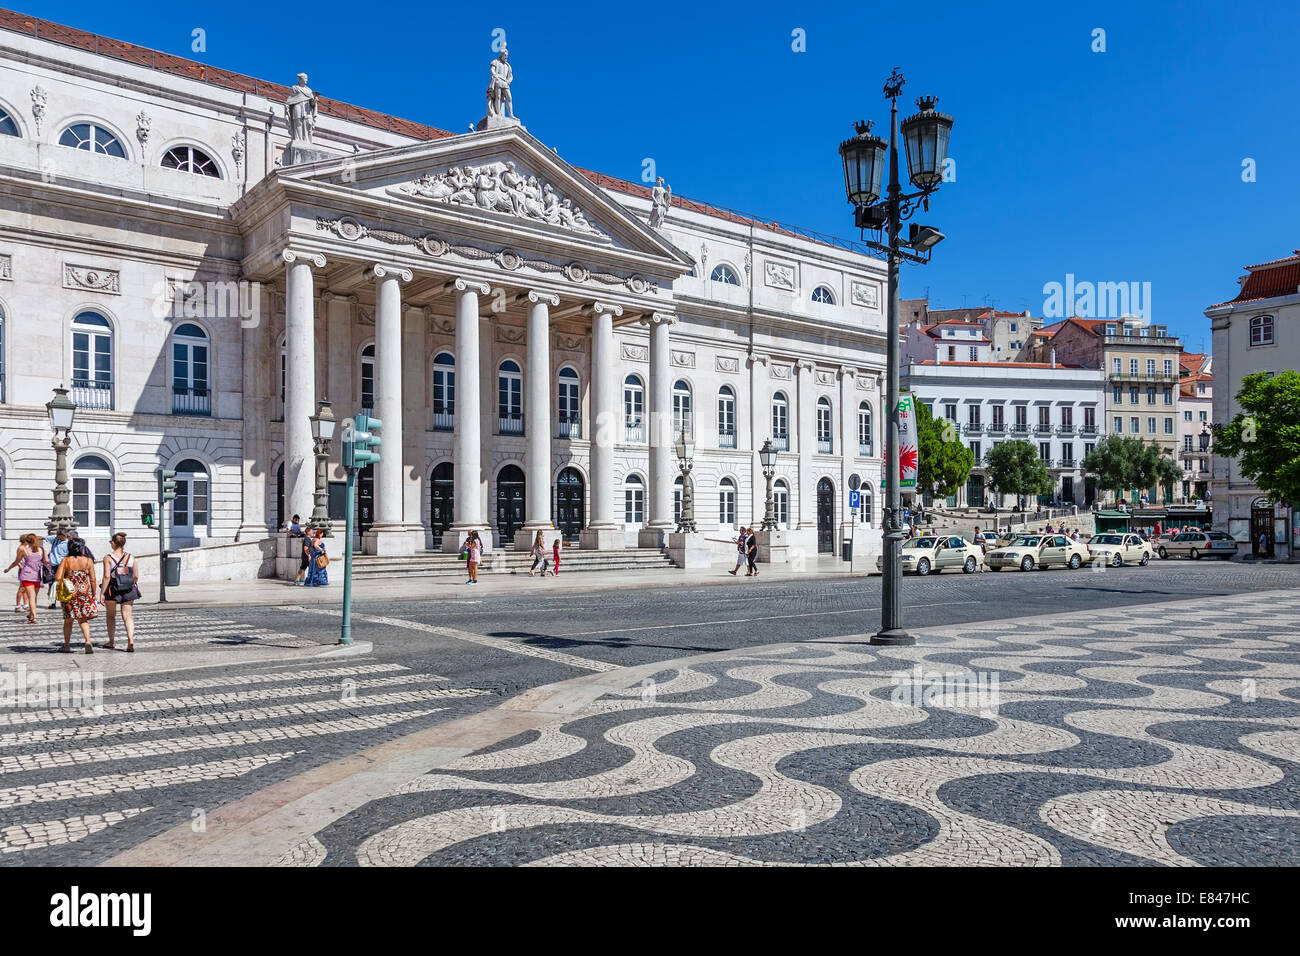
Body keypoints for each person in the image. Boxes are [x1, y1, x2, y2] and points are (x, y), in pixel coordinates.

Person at [55, 538, 97, 654]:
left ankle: (67, 646)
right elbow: (93, 579)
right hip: (84, 593)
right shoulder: (88, 561)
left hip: (70, 593)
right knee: (83, 619)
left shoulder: (66, 560)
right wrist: (93, 594)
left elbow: (58, 578)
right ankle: (88, 641)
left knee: (68, 620)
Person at [101, 532, 141, 652]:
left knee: (111, 616)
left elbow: (106, 577)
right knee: (128, 616)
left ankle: (111, 641)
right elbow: (136, 576)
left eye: (111, 542)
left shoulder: (108, 557)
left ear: (113, 543)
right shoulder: (131, 557)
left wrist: (102, 593)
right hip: (128, 588)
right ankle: (130, 640)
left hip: (113, 589)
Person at [5, 534, 45, 623]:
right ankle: (32, 615)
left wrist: (8, 569)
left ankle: (34, 617)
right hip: (37, 575)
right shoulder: (41, 550)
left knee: (31, 597)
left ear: (27, 541)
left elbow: (16, 561)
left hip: (27, 575)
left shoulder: (25, 551)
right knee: (34, 597)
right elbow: (47, 561)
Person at [43, 529, 70, 609]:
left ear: (64, 536)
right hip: (53, 565)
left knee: (64, 584)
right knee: (51, 584)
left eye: (59, 536)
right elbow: (43, 538)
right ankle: (52, 603)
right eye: (57, 535)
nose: (57, 537)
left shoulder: (68, 543)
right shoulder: (55, 539)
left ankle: (65, 601)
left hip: (62, 566)